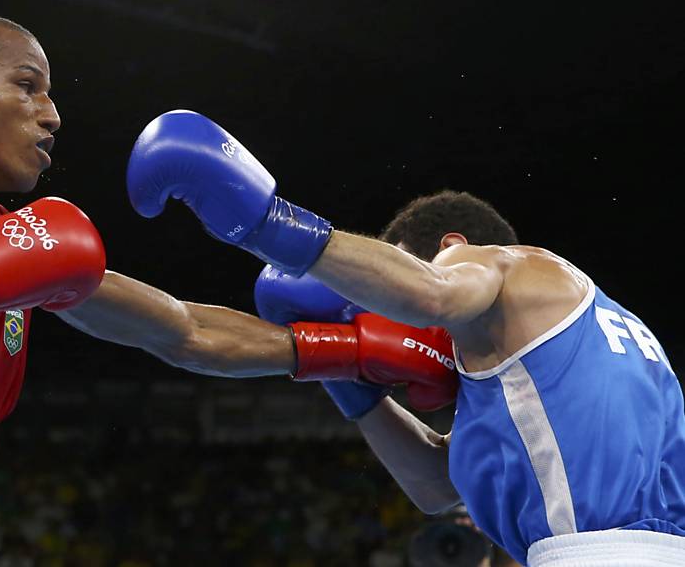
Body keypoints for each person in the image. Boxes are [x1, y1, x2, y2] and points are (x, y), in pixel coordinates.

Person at [0, 15, 457, 566]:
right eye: (27, 86)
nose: (53, 114)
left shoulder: (32, 252)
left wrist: (351, 351)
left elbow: (186, 331)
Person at [123, 109, 685, 566]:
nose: (403, 329)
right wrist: (348, 378)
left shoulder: (504, 264)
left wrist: (267, 222)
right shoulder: (576, 349)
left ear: (450, 246)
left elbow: (431, 294)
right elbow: (438, 487)